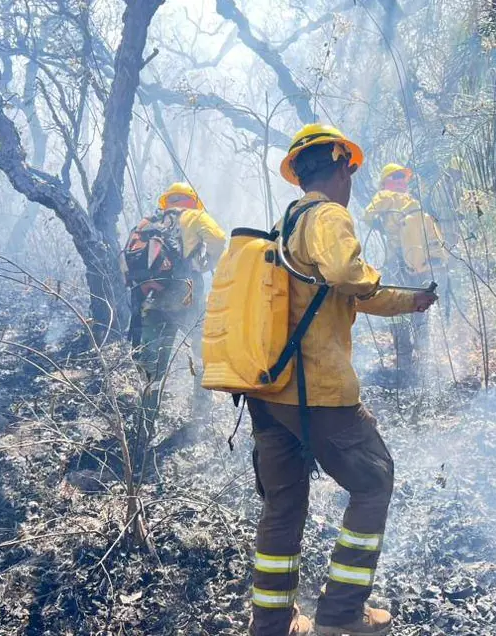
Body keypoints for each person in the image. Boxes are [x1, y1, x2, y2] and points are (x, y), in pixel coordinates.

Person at [246, 125, 438, 636]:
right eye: (350, 170)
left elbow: (346, 291)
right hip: (318, 392)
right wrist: (377, 279)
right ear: (339, 166)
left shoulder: (285, 224)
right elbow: (347, 275)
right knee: (374, 481)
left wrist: (408, 301)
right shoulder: (329, 216)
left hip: (269, 393)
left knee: (283, 506)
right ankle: (341, 616)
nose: (352, 180)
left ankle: (271, 624)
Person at [122, 182, 226, 427]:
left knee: (152, 363)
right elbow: (219, 239)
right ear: (192, 200)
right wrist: (204, 265)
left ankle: (145, 424)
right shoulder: (194, 216)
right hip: (185, 296)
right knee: (201, 350)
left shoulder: (148, 224)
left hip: (151, 300)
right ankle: (200, 415)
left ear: (167, 201)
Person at [364, 164, 448, 378]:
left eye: (404, 177)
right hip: (400, 264)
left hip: (417, 265)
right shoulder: (384, 196)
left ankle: (421, 364)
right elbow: (368, 216)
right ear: (384, 183)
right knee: (400, 312)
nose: (402, 181)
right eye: (396, 177)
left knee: (419, 310)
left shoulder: (414, 204)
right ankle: (407, 363)